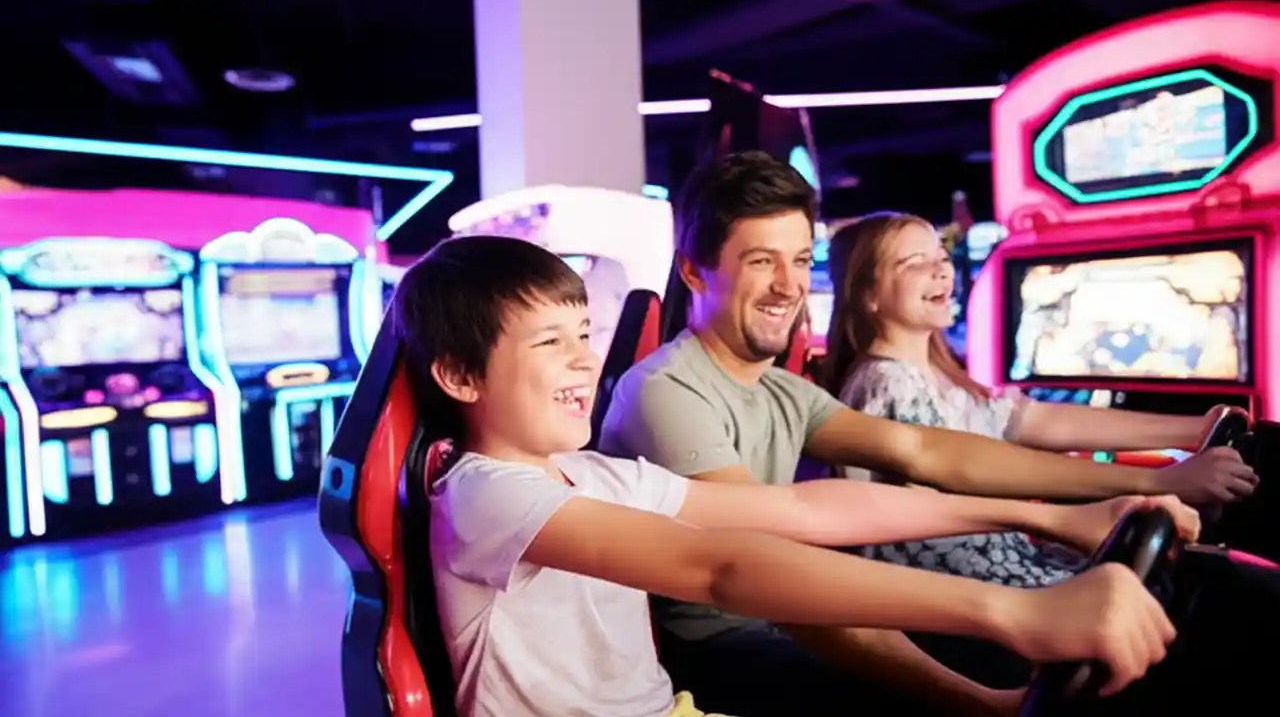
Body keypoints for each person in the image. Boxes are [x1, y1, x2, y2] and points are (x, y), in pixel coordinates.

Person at [390, 234, 1188, 717]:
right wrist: (1013, 612)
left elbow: (802, 512)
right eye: (549, 343)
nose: (585, 359)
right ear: (461, 376)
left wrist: (1043, 517)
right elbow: (721, 567)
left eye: (584, 334)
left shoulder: (589, 474)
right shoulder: (483, 493)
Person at [596, 151, 1256, 716]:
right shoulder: (665, 391)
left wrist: (1135, 487)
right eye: (762, 261)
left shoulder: (778, 389)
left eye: (800, 260)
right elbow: (769, 574)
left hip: (787, 614)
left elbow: (929, 451)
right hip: (724, 646)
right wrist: (982, 697)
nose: (790, 285)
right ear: (693, 272)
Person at [820, 211, 1257, 586]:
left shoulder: (937, 378)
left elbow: (1036, 420)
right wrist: (1161, 482)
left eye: (940, 257)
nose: (942, 271)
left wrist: (1196, 430)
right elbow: (969, 468)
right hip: (971, 598)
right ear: (868, 295)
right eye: (916, 263)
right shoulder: (886, 381)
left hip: (1006, 575)